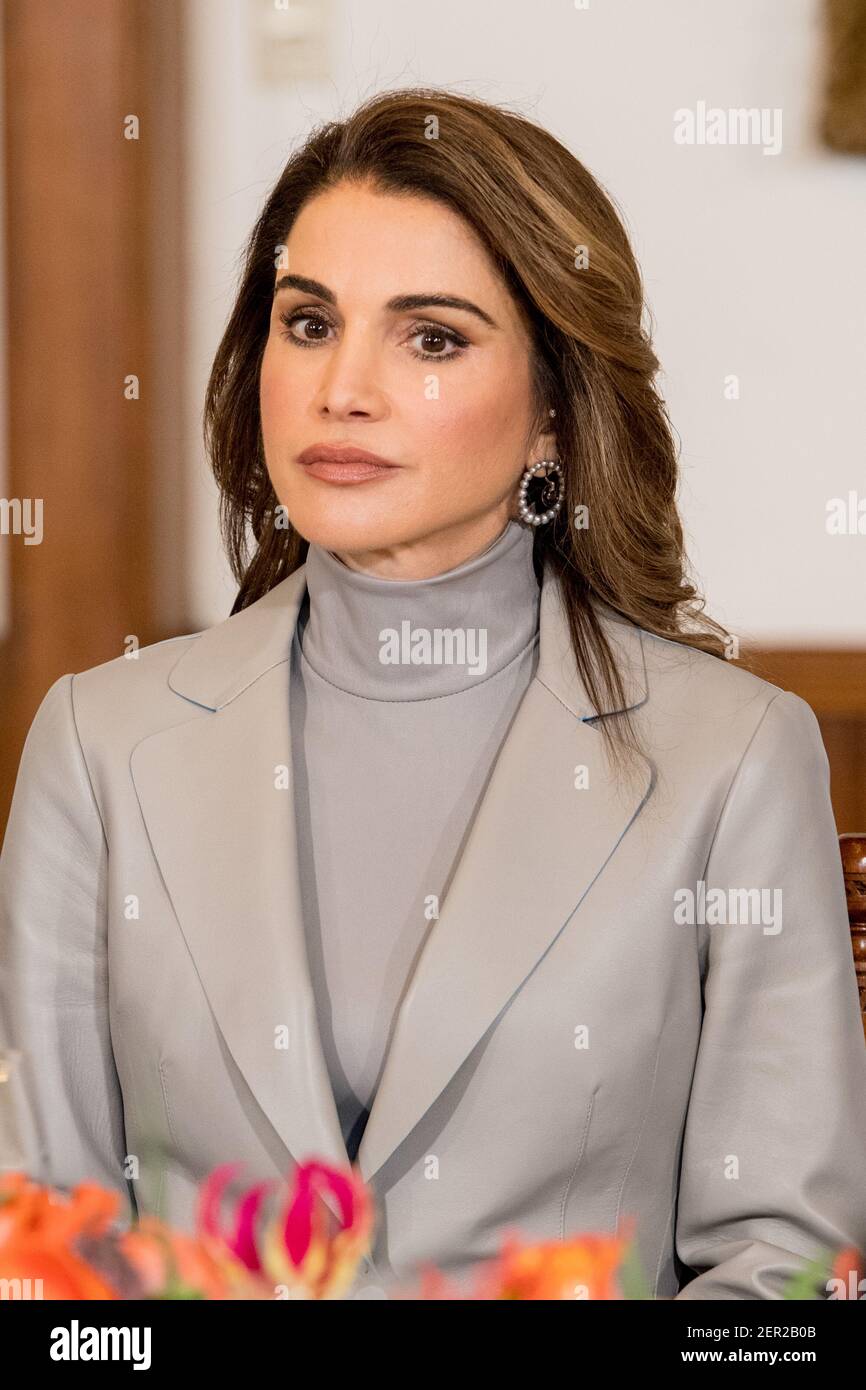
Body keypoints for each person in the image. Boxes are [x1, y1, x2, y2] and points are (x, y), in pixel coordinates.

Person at [1, 87, 865, 1300]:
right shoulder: (98, 746)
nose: (341, 387)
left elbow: (788, 1276)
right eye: (308, 324)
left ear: (553, 412)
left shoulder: (732, 759)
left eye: (432, 337)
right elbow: (39, 1262)